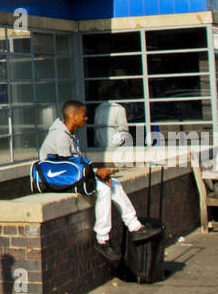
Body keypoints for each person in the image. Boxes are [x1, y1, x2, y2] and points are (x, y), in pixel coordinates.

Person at [42, 99, 145, 260]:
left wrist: (97, 172)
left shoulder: (69, 134)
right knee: (103, 189)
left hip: (67, 175)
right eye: (84, 115)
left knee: (114, 184)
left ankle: (135, 226)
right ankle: (102, 239)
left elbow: (78, 162)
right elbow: (69, 167)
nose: (87, 118)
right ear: (74, 116)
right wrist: (96, 172)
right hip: (57, 179)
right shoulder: (60, 136)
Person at [92, 83, 131, 163]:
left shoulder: (98, 108)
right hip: (114, 144)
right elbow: (124, 129)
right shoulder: (119, 108)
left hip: (99, 143)